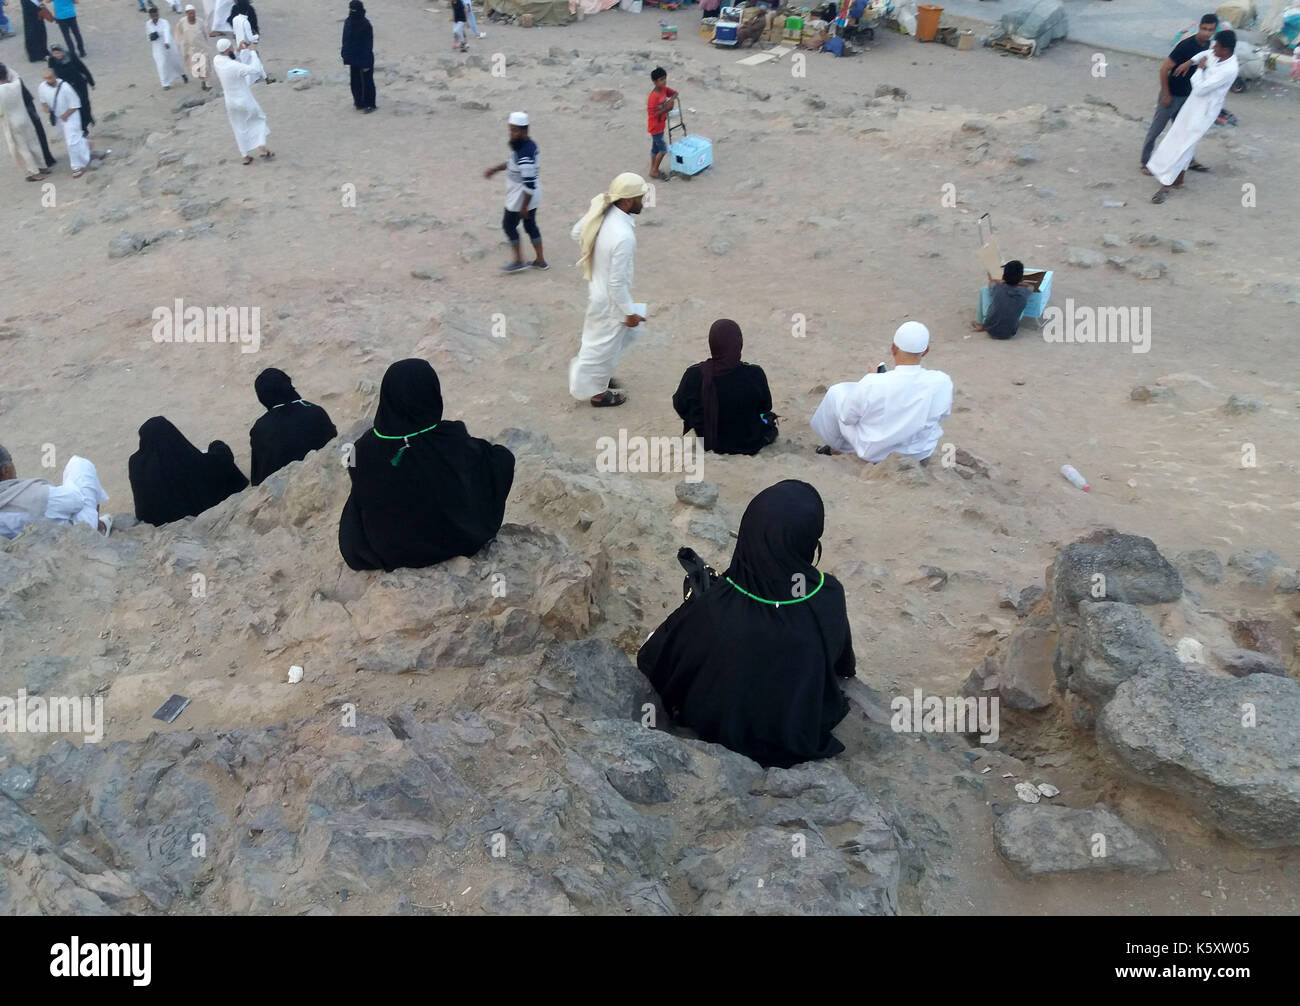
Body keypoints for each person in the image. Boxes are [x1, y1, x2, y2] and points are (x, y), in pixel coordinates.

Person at [636, 480, 856, 769]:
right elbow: (842, 666)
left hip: (713, 729)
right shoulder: (827, 595)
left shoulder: (713, 606)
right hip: (793, 736)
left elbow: (655, 662)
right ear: (810, 542)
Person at [338, 358, 515, 572]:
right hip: (458, 539)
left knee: (359, 495)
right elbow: (495, 460)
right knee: (496, 460)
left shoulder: (363, 449)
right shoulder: (451, 437)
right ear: (432, 394)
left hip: (392, 552)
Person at [810, 321, 953, 464]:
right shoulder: (942, 381)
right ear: (926, 351)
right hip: (919, 452)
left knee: (837, 393)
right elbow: (943, 415)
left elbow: (848, 418)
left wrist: (873, 379)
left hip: (876, 454)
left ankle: (837, 447)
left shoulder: (873, 383)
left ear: (893, 348)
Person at [568, 172, 648, 408]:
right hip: (611, 301)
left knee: (610, 342)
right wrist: (628, 313)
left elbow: (576, 233)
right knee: (602, 346)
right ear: (626, 202)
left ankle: (599, 376)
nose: (642, 201)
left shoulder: (603, 213)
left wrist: (597, 253)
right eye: (639, 197)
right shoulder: (624, 237)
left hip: (600, 292)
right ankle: (597, 393)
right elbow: (616, 284)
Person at [1148, 30, 1239, 204]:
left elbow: (1201, 88)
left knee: (1185, 143)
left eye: (1217, 47)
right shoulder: (1215, 54)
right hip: (1193, 104)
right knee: (1178, 137)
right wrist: (1190, 61)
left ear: (1226, 50)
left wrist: (1198, 69)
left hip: (1204, 111)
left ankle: (1166, 183)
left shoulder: (1229, 69)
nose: (1213, 49)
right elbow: (1205, 54)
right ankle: (1177, 178)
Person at [672, 319, 778, 455]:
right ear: (739, 344)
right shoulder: (755, 374)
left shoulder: (694, 375)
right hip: (750, 443)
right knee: (767, 419)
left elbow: (679, 405)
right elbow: (765, 407)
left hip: (709, 444)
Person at [129, 416, 249, 526]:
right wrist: (217, 445)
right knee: (221, 469)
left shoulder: (135, 463)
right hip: (194, 513)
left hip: (156, 521)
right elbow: (221, 461)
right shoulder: (185, 457)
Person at [1140, 13, 1217, 171]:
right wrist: (1166, 94)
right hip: (1172, 94)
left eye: (1210, 30)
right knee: (1156, 129)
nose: (1206, 33)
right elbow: (1164, 69)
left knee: (1185, 130)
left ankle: (1189, 160)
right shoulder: (1186, 46)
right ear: (1199, 27)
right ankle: (1145, 162)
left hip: (1187, 96)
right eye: (1204, 29)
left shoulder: (1208, 46)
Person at [248, 368, 338, 486]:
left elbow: (259, 471)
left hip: (279, 489)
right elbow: (333, 441)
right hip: (322, 478)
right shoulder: (316, 412)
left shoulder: (259, 429)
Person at [0, 444, 110, 539]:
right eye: (11, 460)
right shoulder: (32, 495)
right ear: (5, 470)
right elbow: (76, 500)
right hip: (69, 536)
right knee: (79, 464)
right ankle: (98, 530)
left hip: (28, 539)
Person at [484, 111, 545, 274]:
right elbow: (512, 163)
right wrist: (495, 169)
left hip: (521, 197)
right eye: (510, 130)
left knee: (508, 225)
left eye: (515, 131)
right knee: (530, 225)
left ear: (525, 131)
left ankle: (518, 261)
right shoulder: (526, 145)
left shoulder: (525, 153)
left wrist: (523, 207)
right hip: (529, 195)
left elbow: (529, 183)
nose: (512, 134)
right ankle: (540, 260)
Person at [213, 37, 271, 163]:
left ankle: (245, 155)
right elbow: (255, 69)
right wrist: (252, 52)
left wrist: (238, 51)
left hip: (230, 103)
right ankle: (262, 149)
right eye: (231, 47)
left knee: (239, 127)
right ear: (228, 49)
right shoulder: (234, 66)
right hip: (245, 100)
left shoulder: (217, 60)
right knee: (259, 120)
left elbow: (233, 61)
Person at [37, 65, 95, 176]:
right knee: (71, 139)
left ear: (55, 76)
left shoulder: (65, 87)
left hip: (71, 116)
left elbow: (76, 104)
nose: (48, 80)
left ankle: (77, 167)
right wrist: (46, 108)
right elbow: (43, 101)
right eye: (45, 78)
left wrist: (66, 115)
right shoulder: (42, 87)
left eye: (50, 77)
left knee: (71, 142)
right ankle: (86, 143)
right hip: (59, 118)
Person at [0, 63, 49, 179]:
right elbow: (15, 74)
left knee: (23, 148)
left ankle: (35, 173)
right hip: (24, 117)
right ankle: (43, 166)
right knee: (33, 142)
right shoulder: (16, 84)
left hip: (12, 123)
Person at [973, 259, 1031, 339]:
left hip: (990, 329)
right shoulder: (1024, 292)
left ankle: (981, 324)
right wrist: (1020, 283)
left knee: (985, 290)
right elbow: (1031, 287)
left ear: (1003, 276)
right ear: (1021, 278)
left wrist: (997, 280)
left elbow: (991, 283)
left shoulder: (998, 288)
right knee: (1021, 303)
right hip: (1010, 333)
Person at [47, 44, 91, 134]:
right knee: (73, 106)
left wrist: (91, 81)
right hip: (66, 88)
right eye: (55, 53)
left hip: (79, 84)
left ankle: (86, 123)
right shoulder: (52, 60)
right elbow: (52, 73)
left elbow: (82, 68)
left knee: (83, 104)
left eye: (58, 53)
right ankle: (80, 127)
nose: (57, 55)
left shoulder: (71, 57)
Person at [340, 0, 375, 112]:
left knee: (366, 81)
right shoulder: (350, 22)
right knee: (356, 81)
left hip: (362, 57)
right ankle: (359, 102)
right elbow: (346, 40)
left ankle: (369, 104)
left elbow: (367, 45)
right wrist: (345, 54)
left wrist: (366, 62)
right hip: (354, 56)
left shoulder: (363, 24)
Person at [646, 66, 677, 181]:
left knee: (655, 149)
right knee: (663, 149)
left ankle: (652, 169)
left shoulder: (664, 90)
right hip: (655, 127)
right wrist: (666, 108)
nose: (664, 81)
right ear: (655, 82)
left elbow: (675, 93)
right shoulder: (653, 97)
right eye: (661, 79)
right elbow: (653, 114)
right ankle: (654, 171)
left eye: (664, 78)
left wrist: (670, 100)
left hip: (661, 125)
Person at [229, 0, 271, 82]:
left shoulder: (235, 19)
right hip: (248, 46)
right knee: (252, 64)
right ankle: (262, 79)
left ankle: (266, 78)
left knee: (252, 62)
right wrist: (257, 36)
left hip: (240, 46)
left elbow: (234, 33)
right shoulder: (245, 22)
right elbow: (250, 38)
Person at [146, 8, 187, 89]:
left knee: (176, 62)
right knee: (161, 64)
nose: (155, 17)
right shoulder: (148, 24)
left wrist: (167, 42)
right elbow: (147, 36)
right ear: (150, 16)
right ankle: (165, 83)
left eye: (156, 15)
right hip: (157, 47)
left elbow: (166, 31)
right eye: (153, 16)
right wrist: (151, 37)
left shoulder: (164, 22)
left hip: (169, 46)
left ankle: (182, 74)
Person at [176, 6, 209, 91]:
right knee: (195, 67)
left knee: (205, 65)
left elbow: (205, 33)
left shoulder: (200, 21)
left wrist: (206, 43)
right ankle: (202, 79)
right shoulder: (182, 22)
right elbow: (178, 34)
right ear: (186, 13)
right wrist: (181, 44)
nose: (192, 15)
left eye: (193, 12)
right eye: (190, 13)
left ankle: (205, 82)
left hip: (201, 47)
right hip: (190, 49)